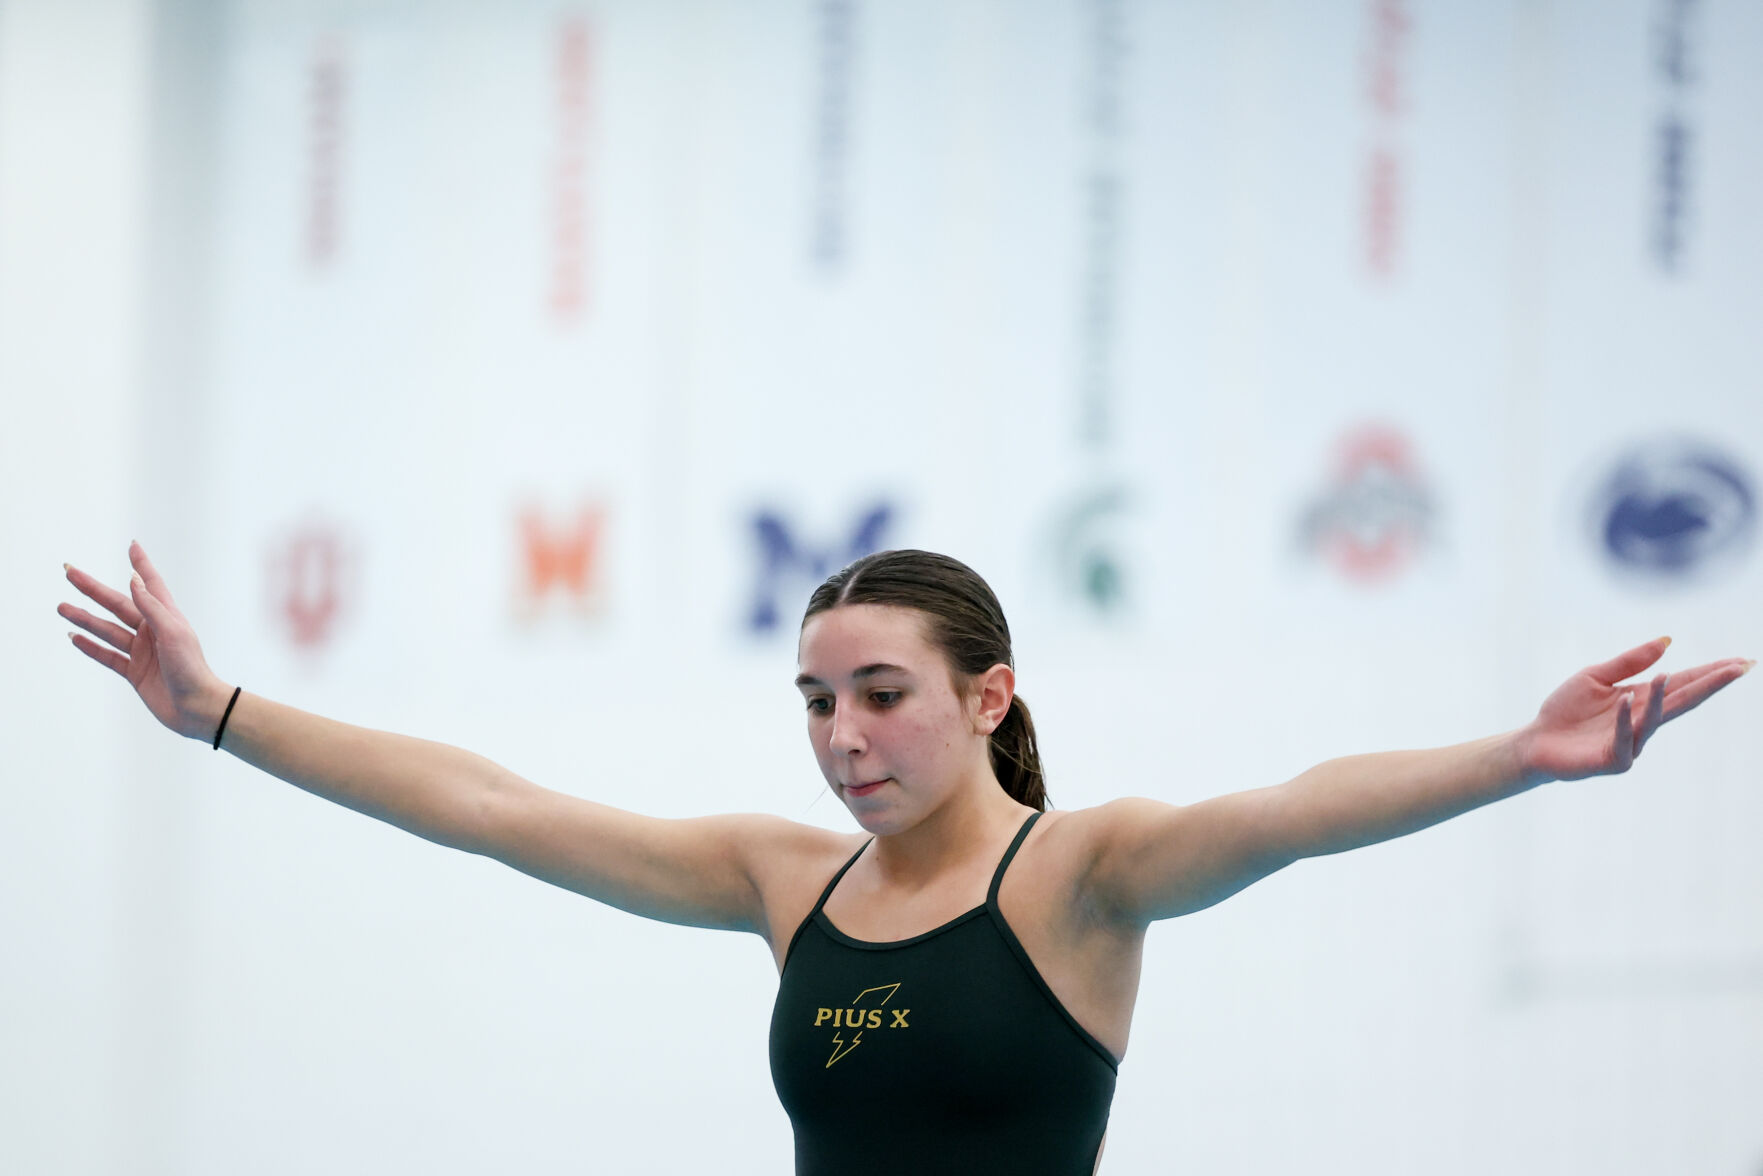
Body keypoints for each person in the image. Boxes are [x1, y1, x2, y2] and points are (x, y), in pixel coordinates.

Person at [59, 542, 1750, 1176]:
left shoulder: (1085, 878)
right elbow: (492, 808)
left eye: (882, 696)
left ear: (987, 694)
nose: (842, 736)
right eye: (815, 700)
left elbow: (1299, 807)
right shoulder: (784, 885)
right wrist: (222, 714)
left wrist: (1523, 761)